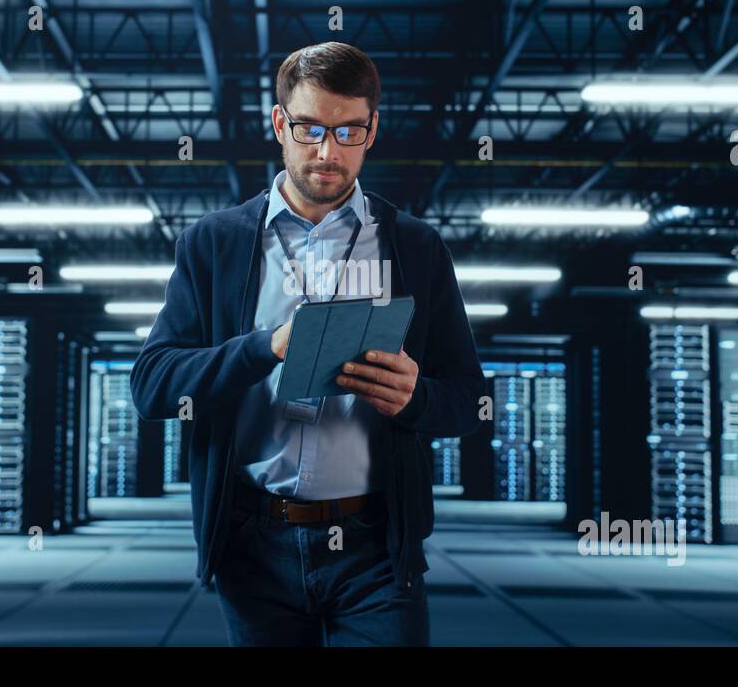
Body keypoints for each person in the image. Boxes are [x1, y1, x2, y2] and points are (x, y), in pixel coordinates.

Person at [130, 41, 484, 646]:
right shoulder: (214, 244)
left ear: (373, 130)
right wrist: (263, 348)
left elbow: (471, 401)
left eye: (350, 132)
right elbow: (153, 385)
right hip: (253, 541)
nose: (328, 151)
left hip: (376, 545)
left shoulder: (417, 249)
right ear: (279, 124)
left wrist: (417, 398)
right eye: (311, 128)